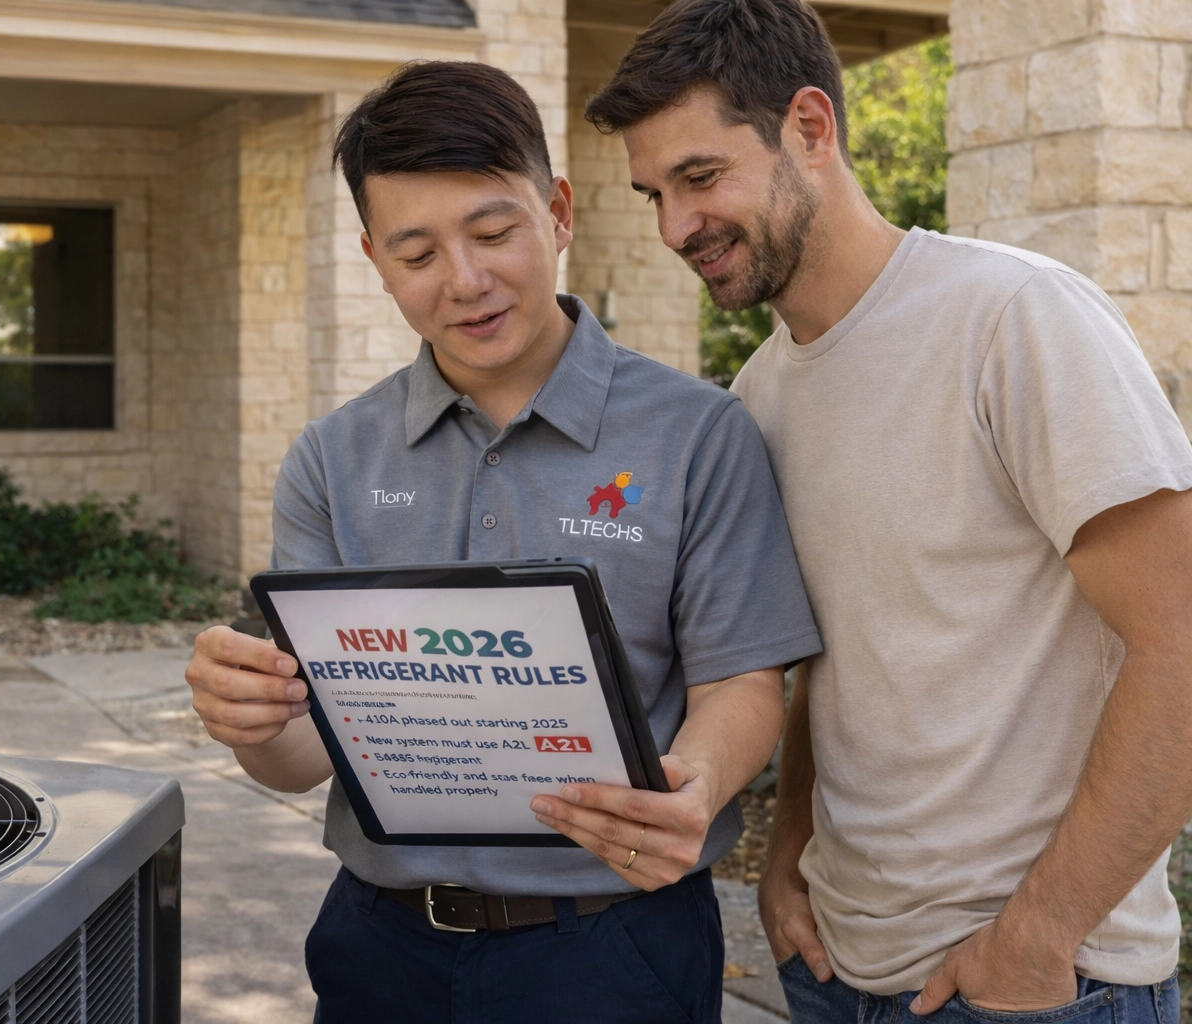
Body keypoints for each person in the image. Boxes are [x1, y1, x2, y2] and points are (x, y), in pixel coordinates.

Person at [586, 0, 1192, 1020]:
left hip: (1032, 981)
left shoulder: (1014, 318)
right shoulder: (761, 398)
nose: (675, 228)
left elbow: (1180, 639)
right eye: (654, 194)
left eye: (700, 177)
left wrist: (1040, 932)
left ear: (811, 131)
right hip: (832, 964)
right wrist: (786, 860)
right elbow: (833, 654)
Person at [183, 60, 823, 1022]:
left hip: (614, 946)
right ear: (373, 259)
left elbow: (741, 682)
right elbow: (305, 753)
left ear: (557, 212)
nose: (466, 282)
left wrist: (691, 788)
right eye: (417, 254)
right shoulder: (331, 459)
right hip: (379, 944)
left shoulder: (698, 434)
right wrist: (252, 720)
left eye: (493, 232)